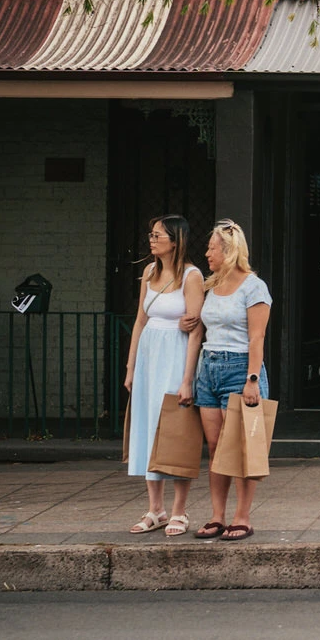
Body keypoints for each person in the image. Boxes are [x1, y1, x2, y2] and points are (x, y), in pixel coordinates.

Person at [123, 215, 205, 536]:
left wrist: (187, 378)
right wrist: (131, 368)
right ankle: (154, 508)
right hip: (148, 357)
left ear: (175, 240)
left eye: (157, 235)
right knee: (147, 427)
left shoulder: (191, 276)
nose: (151, 240)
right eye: (151, 234)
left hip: (175, 355)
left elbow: (196, 329)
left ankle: (179, 511)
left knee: (175, 429)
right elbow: (140, 321)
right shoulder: (149, 272)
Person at [193, 219, 273, 541]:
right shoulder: (211, 285)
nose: (207, 253)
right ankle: (217, 516)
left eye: (212, 247)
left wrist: (252, 379)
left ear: (229, 251)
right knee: (215, 447)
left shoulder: (254, 287)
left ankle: (242, 516)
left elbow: (257, 338)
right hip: (207, 368)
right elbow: (203, 326)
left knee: (241, 448)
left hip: (239, 368)